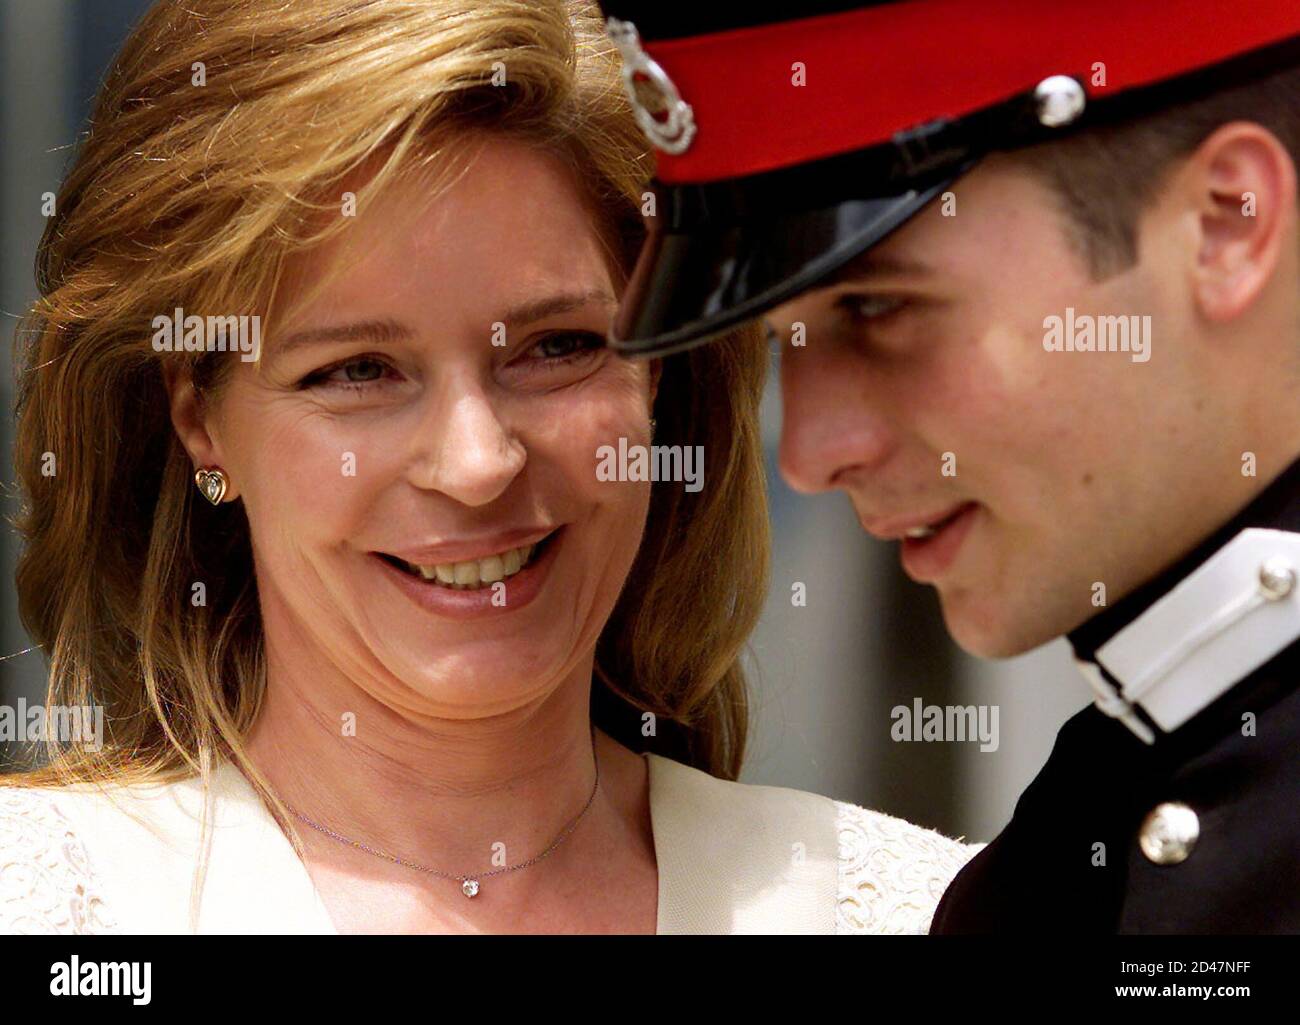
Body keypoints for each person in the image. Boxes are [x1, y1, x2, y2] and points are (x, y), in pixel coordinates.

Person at [0, 0, 976, 935]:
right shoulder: (39, 899)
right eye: (358, 370)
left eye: (555, 347)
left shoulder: (935, 912)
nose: (476, 463)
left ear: (662, 377)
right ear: (200, 421)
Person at [598, 1, 1300, 932]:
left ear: (1225, 222)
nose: (808, 456)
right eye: (779, 344)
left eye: (877, 309)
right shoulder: (1045, 875)